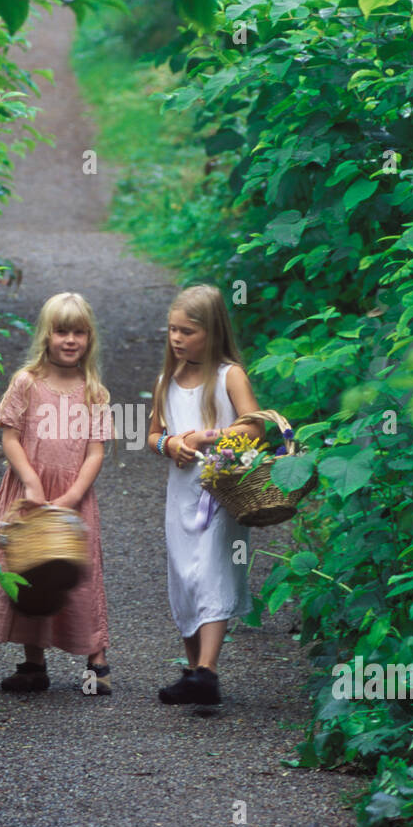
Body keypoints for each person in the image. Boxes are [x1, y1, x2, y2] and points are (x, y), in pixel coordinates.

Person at [0, 291, 113, 695]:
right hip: (29, 493)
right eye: (61, 331)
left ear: (89, 338)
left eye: (78, 332)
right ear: (46, 336)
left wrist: (73, 495)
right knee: (30, 570)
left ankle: (96, 662)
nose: (70, 340)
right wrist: (31, 481)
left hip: (73, 497)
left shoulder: (94, 391)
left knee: (78, 576)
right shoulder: (27, 383)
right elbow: (10, 438)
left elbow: (96, 451)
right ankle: (34, 663)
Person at [148, 284, 265, 709]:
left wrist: (209, 436)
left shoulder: (228, 375)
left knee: (214, 570)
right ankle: (195, 670)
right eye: (172, 330)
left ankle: (209, 669)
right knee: (184, 575)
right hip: (181, 494)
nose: (177, 339)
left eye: (187, 331)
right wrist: (172, 445)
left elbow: (255, 426)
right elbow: (154, 436)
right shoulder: (168, 380)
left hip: (222, 490)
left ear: (212, 332)